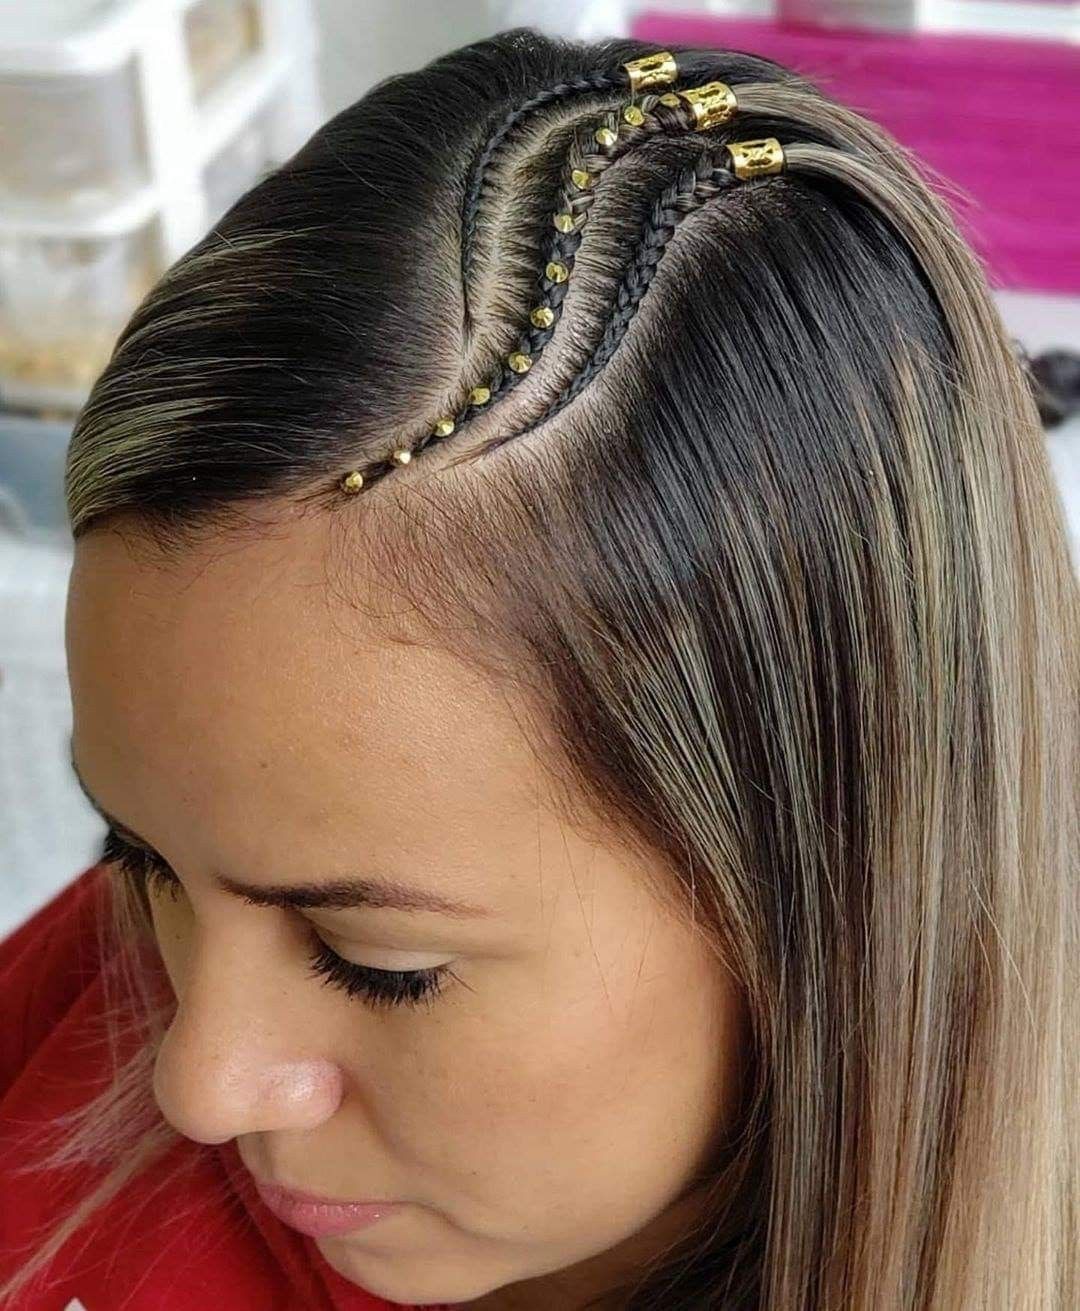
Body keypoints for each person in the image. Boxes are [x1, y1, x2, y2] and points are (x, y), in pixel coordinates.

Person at [1, 27, 1076, 1311]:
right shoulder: (131, 964)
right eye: (139, 856)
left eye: (376, 964)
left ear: (838, 877)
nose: (200, 1079)